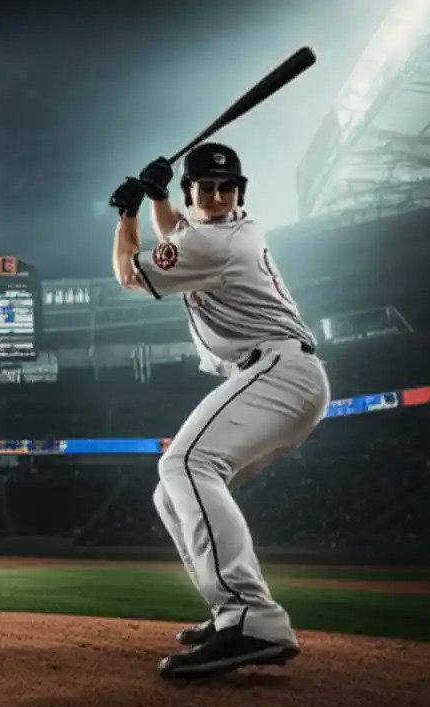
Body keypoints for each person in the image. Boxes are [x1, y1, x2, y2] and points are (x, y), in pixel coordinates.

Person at [107, 142, 330, 678]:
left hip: (279, 370)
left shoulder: (219, 241)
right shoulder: (221, 233)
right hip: (279, 376)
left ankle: (252, 615)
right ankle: (231, 613)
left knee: (184, 464)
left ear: (239, 193)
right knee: (171, 492)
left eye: (225, 187)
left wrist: (126, 213)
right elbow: (179, 235)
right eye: (204, 186)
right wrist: (159, 197)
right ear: (191, 191)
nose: (215, 194)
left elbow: (129, 273)